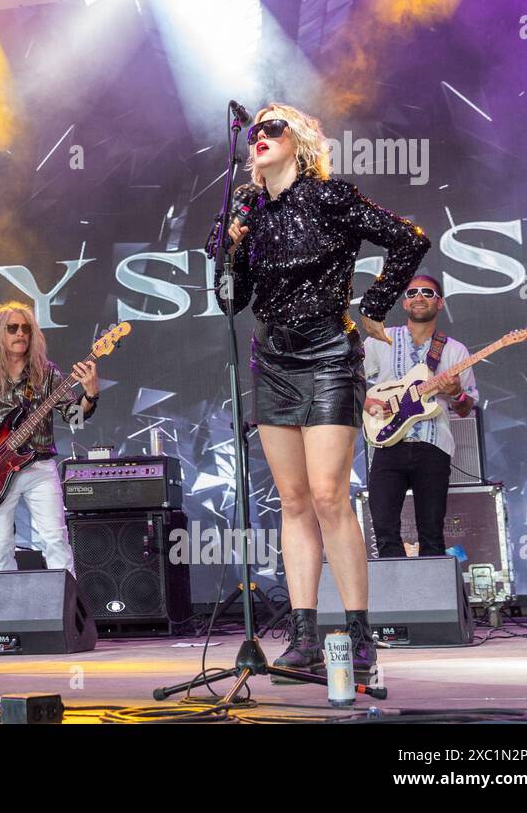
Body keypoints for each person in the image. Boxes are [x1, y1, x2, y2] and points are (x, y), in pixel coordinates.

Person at [215, 104, 430, 681]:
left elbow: (408, 240)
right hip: (274, 359)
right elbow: (229, 299)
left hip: (330, 355)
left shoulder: (330, 196)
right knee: (292, 500)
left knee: (330, 492)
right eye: (254, 130)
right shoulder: (247, 211)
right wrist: (231, 246)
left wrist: (375, 305)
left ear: (300, 139)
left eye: (271, 127)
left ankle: (361, 634)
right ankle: (305, 634)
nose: (258, 136)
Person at [0, 301, 98, 576]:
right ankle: (9, 615)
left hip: (39, 467)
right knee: (0, 546)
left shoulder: (47, 373)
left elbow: (73, 418)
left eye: (26, 329)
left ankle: (65, 611)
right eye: (12, 328)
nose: (20, 334)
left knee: (55, 540)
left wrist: (90, 395)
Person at [363, 274, 478, 557]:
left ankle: (436, 600)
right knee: (384, 532)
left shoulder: (455, 350)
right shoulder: (381, 339)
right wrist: (367, 401)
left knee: (432, 535)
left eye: (428, 293)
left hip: (433, 446)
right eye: (413, 292)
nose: (419, 297)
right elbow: (351, 380)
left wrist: (456, 393)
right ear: (404, 303)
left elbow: (465, 407)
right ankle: (396, 599)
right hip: (387, 444)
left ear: (439, 303)